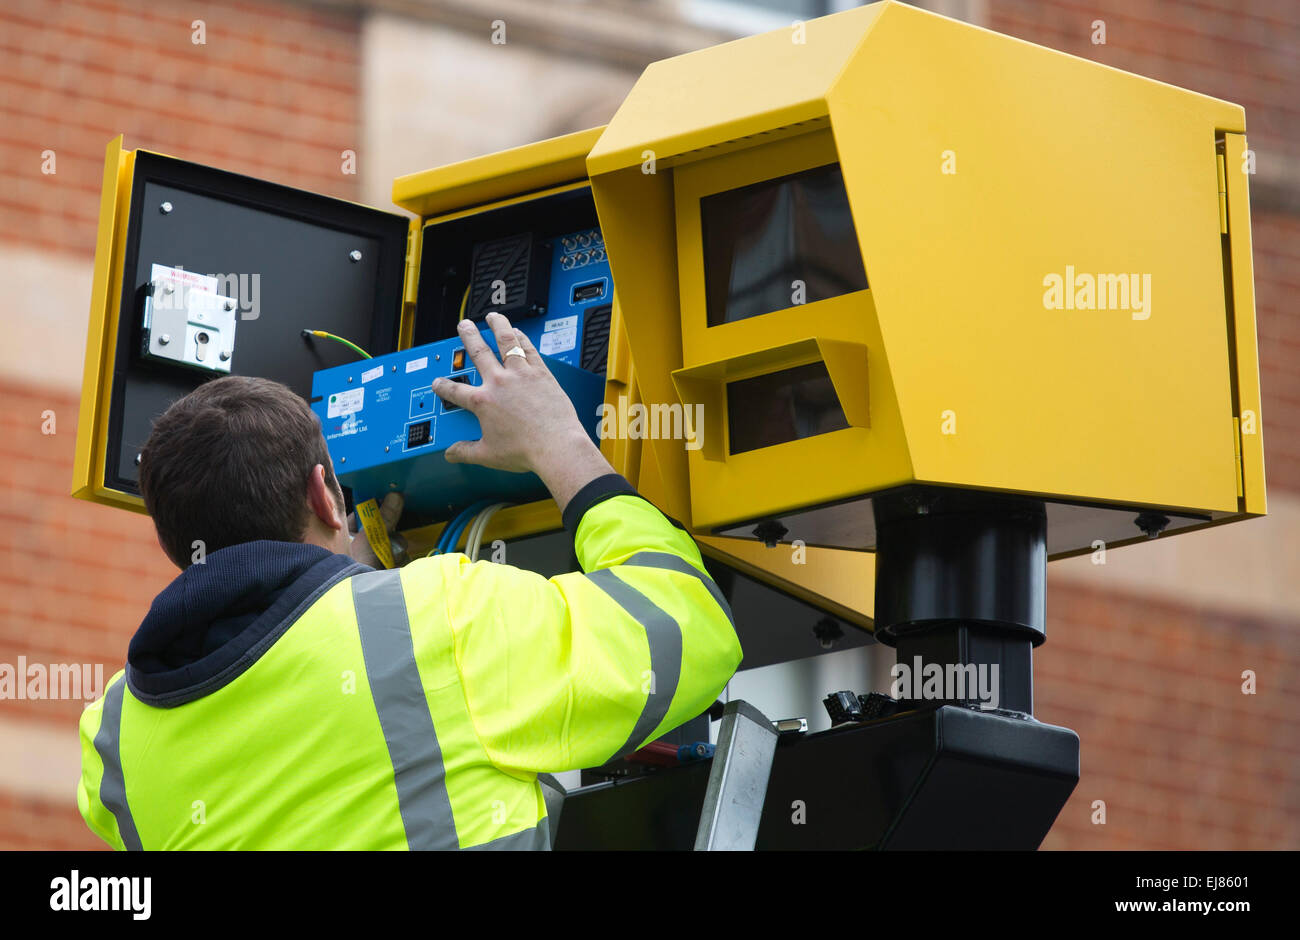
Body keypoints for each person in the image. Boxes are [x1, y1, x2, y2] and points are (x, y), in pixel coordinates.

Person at [77, 312, 741, 850]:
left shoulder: (113, 738)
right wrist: (560, 444)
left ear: (173, 539)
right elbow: (692, 626)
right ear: (326, 496)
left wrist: (337, 595)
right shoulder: (442, 618)